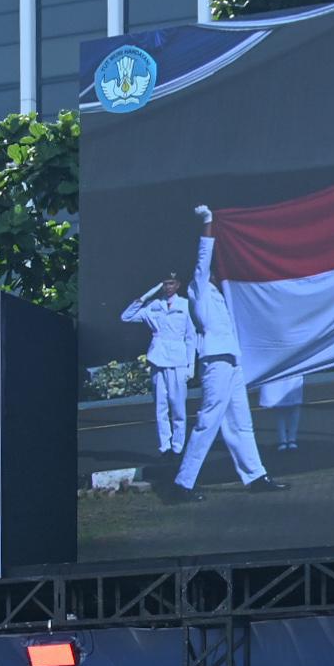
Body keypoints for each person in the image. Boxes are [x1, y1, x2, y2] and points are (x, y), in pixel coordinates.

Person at [163, 206, 287, 503]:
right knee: (208, 421)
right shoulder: (199, 289)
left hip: (232, 361)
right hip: (216, 360)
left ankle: (255, 476)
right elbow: (203, 258)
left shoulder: (222, 294)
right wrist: (209, 223)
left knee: (241, 423)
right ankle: (182, 484)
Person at [120, 265, 195, 455]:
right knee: (160, 407)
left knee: (178, 407)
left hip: (178, 361)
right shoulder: (154, 306)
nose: (168, 287)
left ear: (178, 285)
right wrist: (147, 295)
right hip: (157, 359)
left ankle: (178, 447)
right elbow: (126, 317)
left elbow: (190, 337)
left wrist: (191, 365)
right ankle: (165, 447)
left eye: (171, 283)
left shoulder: (185, 305)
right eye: (165, 283)